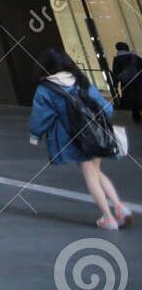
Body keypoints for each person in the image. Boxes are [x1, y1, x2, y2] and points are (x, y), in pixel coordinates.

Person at [29, 47, 130, 229]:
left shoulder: (45, 88)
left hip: (76, 139)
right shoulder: (80, 80)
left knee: (90, 175)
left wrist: (35, 134)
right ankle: (119, 207)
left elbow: (41, 116)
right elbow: (106, 108)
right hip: (97, 135)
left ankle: (108, 218)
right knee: (97, 171)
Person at [111, 41, 141, 124]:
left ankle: (136, 116)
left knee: (132, 100)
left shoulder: (117, 59)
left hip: (127, 84)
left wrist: (115, 84)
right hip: (139, 82)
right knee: (139, 97)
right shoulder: (135, 57)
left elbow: (116, 73)